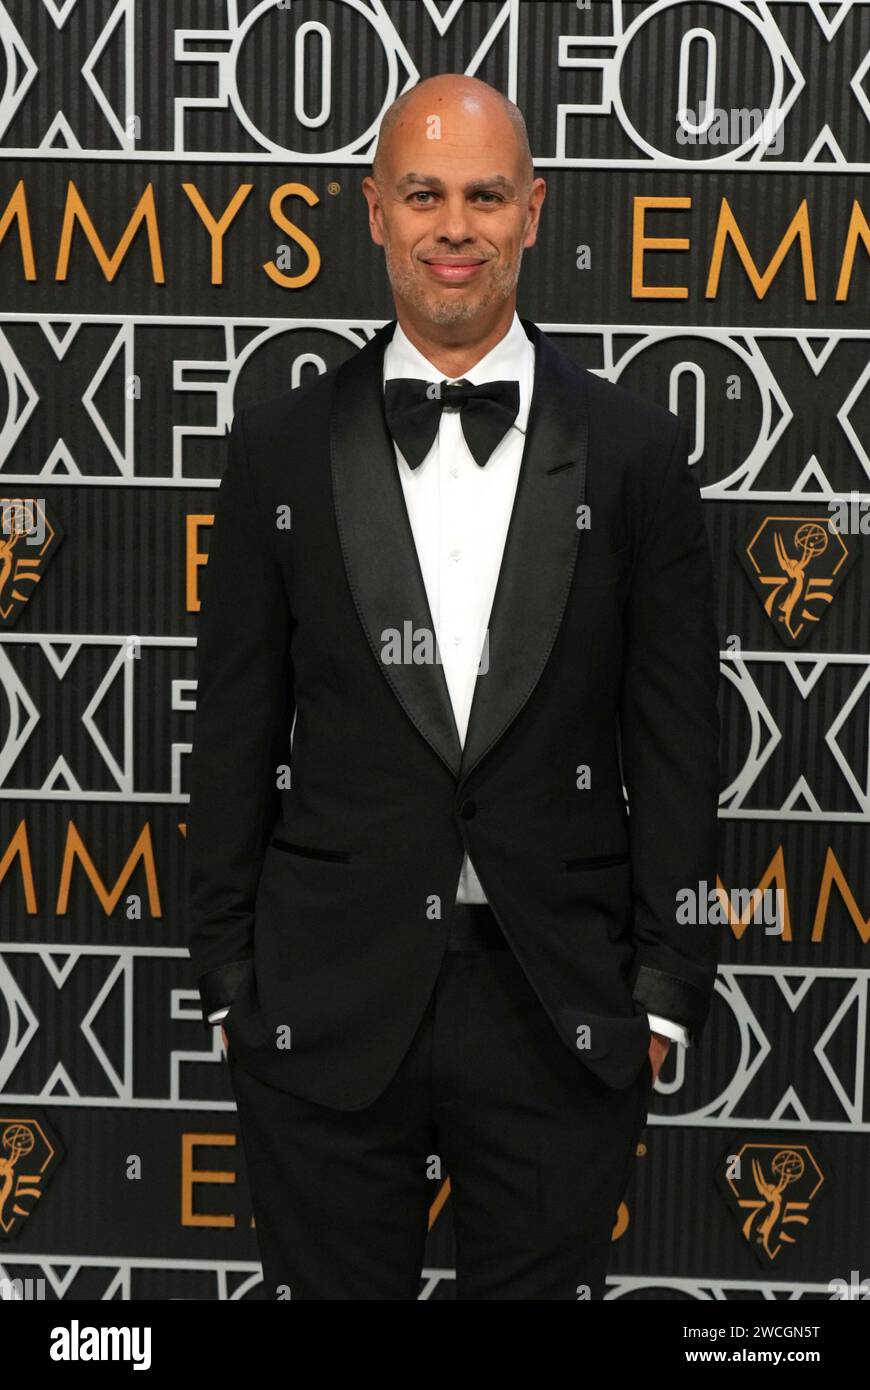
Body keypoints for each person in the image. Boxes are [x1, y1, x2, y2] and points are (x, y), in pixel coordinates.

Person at [185, 73, 721, 1300]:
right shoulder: (277, 448)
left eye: (485, 194)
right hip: (323, 1004)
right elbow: (232, 733)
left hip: (558, 1003)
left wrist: (665, 988)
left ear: (536, 211)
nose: (455, 225)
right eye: (423, 193)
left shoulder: (638, 455)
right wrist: (226, 984)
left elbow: (681, 740)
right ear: (373, 211)